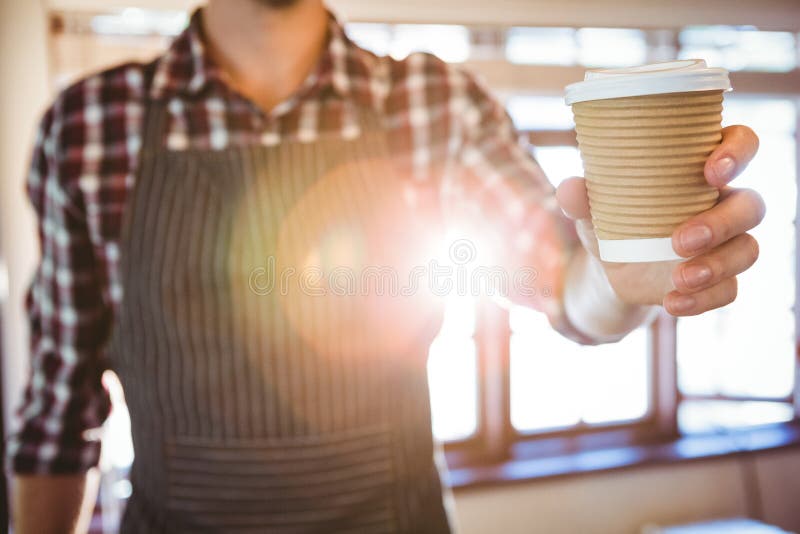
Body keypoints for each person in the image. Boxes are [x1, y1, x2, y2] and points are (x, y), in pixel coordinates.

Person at [8, 0, 764, 532]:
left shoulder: (431, 102)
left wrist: (626, 279)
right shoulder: (90, 127)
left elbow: (565, 287)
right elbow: (58, 417)